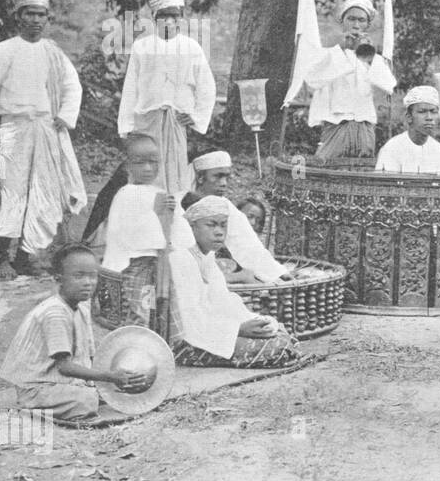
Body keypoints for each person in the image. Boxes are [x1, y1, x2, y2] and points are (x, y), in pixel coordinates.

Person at [0, 0, 85, 279]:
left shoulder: (53, 52)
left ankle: (26, 255)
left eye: (40, 14)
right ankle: (1, 257)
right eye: (29, 13)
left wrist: (65, 116)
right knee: (12, 190)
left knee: (45, 193)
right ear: (18, 16)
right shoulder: (4, 50)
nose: (35, 20)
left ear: (48, 19)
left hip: (47, 128)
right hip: (14, 128)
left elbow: (73, 86)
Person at [0, 243, 154, 420]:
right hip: (36, 388)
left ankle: (77, 394)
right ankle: (31, 409)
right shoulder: (54, 312)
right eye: (79, 276)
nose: (88, 283)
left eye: (92, 276)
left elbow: (88, 357)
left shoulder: (81, 308)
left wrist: (112, 378)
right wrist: (109, 377)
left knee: (105, 392)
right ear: (59, 278)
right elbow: (64, 367)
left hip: (56, 381)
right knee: (87, 400)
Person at [167, 197, 300, 368]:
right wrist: (238, 329)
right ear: (192, 227)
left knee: (277, 330)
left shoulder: (206, 257)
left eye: (223, 225)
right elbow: (191, 319)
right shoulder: (181, 259)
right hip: (191, 341)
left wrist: (248, 320)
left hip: (217, 330)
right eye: (211, 225)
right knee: (279, 347)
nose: (219, 232)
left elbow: (223, 301)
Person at [117, 0, 216, 191]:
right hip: (146, 122)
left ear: (181, 18)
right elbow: (130, 88)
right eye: (163, 16)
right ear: (154, 18)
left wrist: (196, 116)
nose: (169, 21)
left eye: (174, 16)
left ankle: (171, 215)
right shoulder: (142, 47)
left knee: (173, 174)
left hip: (175, 123)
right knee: (146, 172)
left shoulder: (192, 48)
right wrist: (126, 126)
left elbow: (206, 86)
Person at [169, 152, 290, 282]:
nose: (224, 183)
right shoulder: (176, 204)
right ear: (200, 178)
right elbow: (180, 249)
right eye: (218, 176)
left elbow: (247, 245)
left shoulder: (224, 205)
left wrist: (277, 273)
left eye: (226, 177)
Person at [101, 133, 179, 325]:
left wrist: (169, 212)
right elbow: (127, 233)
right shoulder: (126, 194)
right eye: (140, 163)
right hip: (132, 265)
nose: (148, 168)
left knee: (148, 308)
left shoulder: (157, 192)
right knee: (137, 311)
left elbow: (170, 230)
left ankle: (146, 340)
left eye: (153, 162)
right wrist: (157, 213)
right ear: (128, 166)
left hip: (152, 265)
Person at [306, 0, 397, 159]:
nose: (356, 25)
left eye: (361, 20)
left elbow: (389, 85)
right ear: (342, 22)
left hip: (364, 125)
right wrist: (342, 49)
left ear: (367, 25)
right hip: (337, 124)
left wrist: (370, 59)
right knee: (328, 168)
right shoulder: (329, 52)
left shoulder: (372, 56)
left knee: (362, 171)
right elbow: (312, 80)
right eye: (351, 19)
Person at [375, 86, 440, 174]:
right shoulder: (392, 148)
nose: (429, 117)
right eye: (422, 112)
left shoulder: (438, 150)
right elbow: (386, 186)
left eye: (433, 111)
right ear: (409, 117)